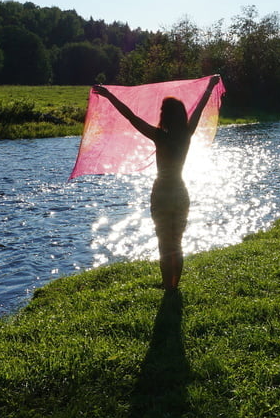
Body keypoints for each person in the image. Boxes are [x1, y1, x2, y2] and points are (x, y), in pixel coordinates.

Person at [92, 75, 222, 290]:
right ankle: (173, 286)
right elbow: (198, 109)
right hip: (180, 192)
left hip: (161, 192)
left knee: (164, 242)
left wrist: (108, 95)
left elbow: (130, 117)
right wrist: (209, 87)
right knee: (177, 241)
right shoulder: (186, 134)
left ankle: (167, 286)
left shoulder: (158, 136)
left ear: (165, 116)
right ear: (181, 116)